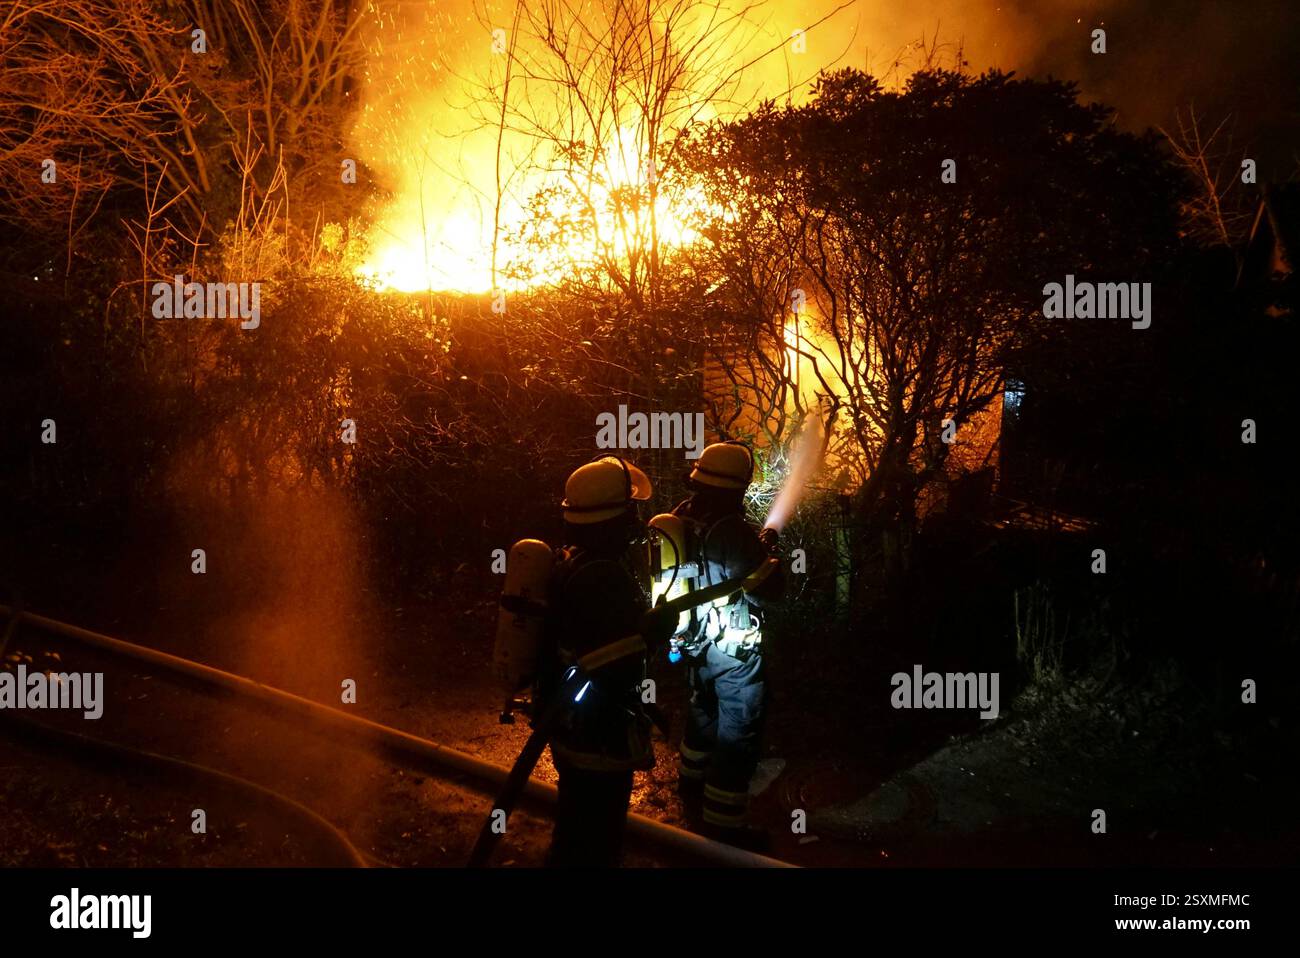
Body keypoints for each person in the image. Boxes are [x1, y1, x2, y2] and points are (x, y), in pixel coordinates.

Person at [537, 455, 669, 866]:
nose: (637, 518)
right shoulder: (603, 576)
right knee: (597, 835)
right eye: (631, 509)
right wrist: (654, 633)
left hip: (570, 723)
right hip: (597, 732)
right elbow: (612, 664)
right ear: (615, 516)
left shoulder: (572, 560)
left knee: (575, 823)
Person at [670, 441, 783, 847]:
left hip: (695, 640)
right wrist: (768, 552)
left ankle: (690, 785)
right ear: (738, 487)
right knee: (740, 726)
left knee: (702, 709)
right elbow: (768, 589)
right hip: (733, 649)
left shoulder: (684, 513)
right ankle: (724, 825)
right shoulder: (732, 529)